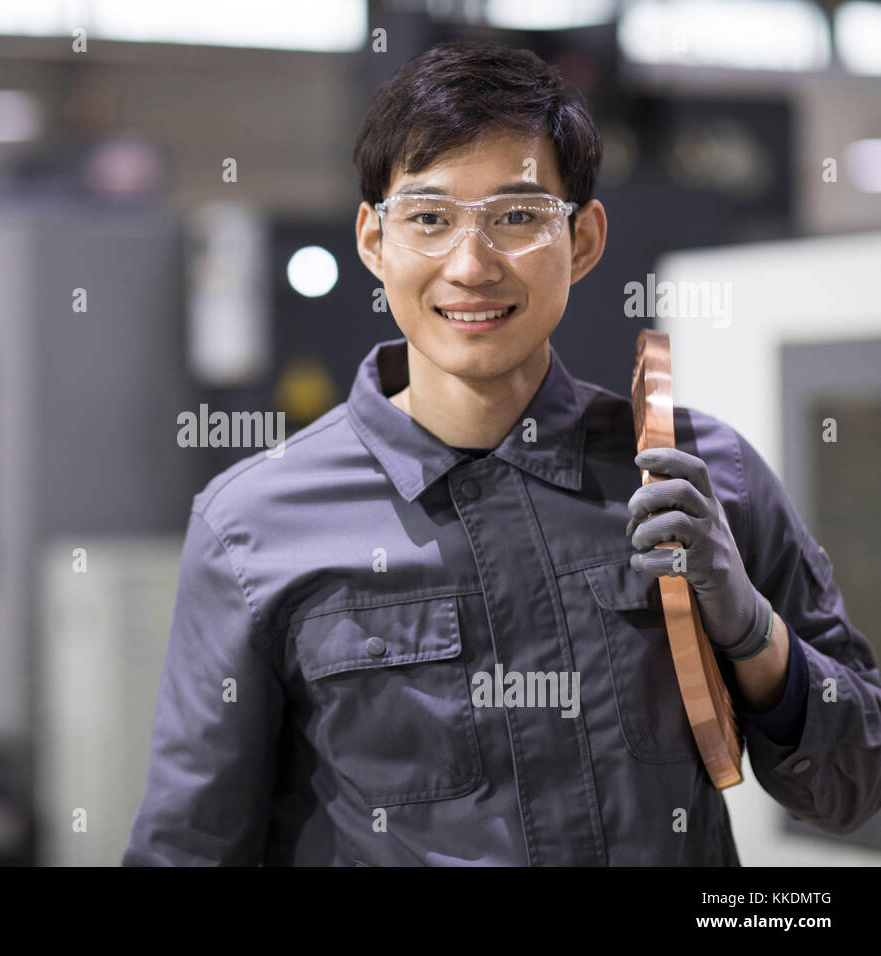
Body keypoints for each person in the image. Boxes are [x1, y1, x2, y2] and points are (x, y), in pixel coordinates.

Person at [122, 41, 881, 865]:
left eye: (518, 216)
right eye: (430, 217)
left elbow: (854, 789)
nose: (472, 264)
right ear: (374, 241)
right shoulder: (253, 526)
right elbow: (188, 849)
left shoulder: (702, 475)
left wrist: (755, 638)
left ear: (584, 239)